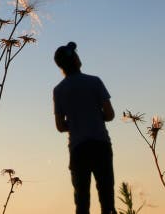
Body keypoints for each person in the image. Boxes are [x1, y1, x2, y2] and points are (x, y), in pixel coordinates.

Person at [53, 41, 115, 214]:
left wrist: (76, 123)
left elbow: (59, 126)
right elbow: (110, 114)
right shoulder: (95, 82)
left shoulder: (58, 90)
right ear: (76, 60)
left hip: (78, 149)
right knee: (107, 201)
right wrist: (94, 117)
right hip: (101, 145)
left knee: (81, 203)